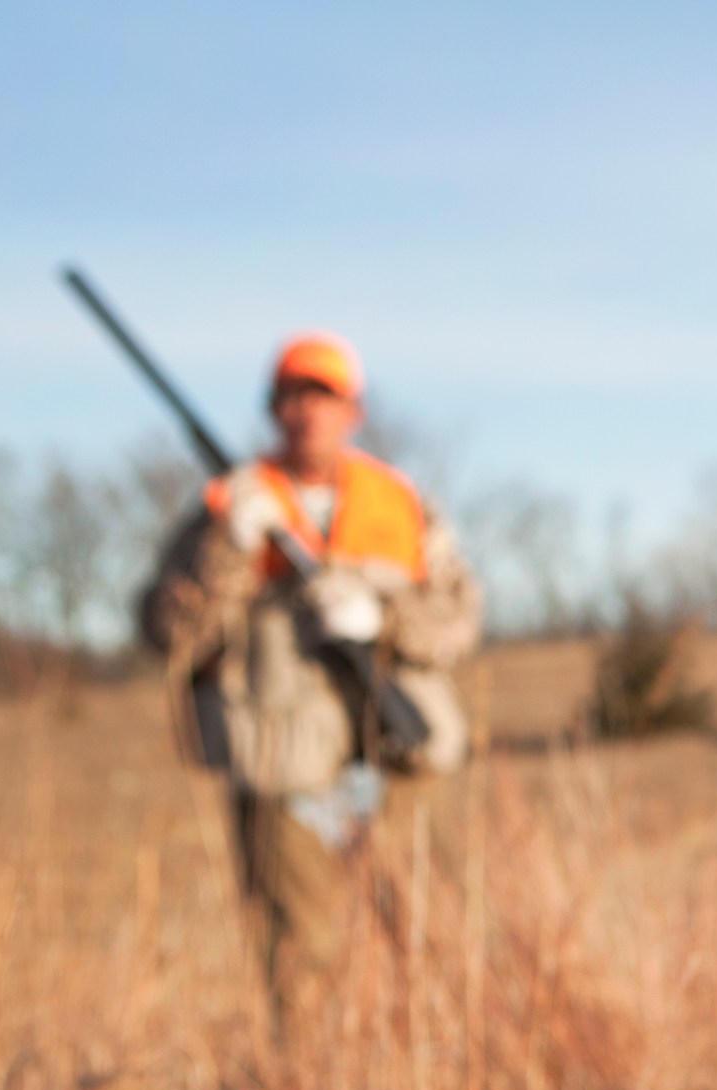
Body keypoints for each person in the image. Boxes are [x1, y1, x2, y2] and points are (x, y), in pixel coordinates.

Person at [139, 332, 480, 1026]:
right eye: (292, 398)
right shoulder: (230, 506)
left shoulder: (399, 504)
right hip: (281, 760)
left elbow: (459, 619)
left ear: (352, 412)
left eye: (323, 399)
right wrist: (230, 549)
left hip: (397, 755)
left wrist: (379, 618)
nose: (307, 414)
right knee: (298, 953)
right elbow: (167, 633)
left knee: (421, 929)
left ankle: (426, 1070)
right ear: (273, 410)